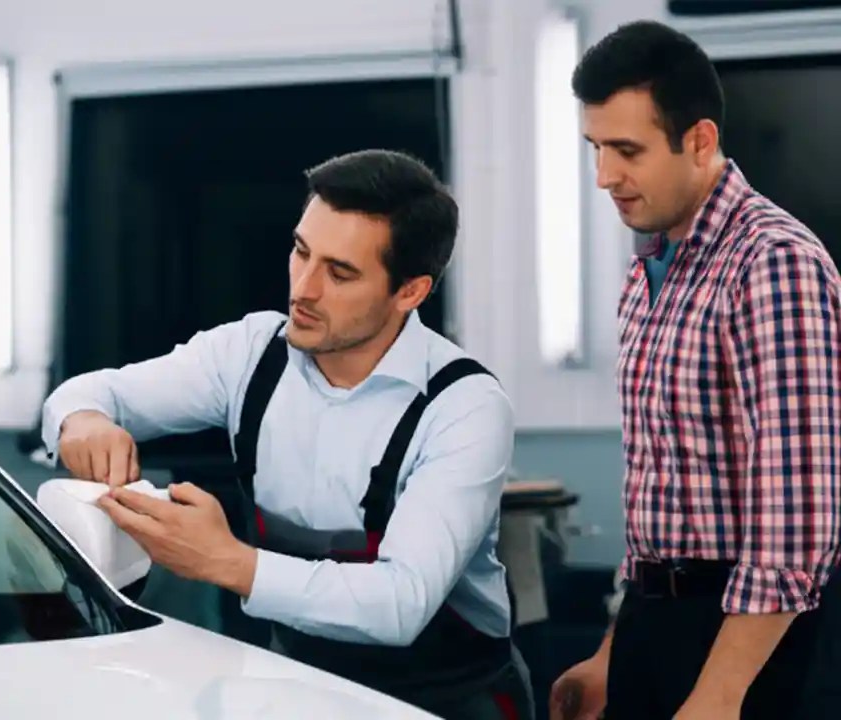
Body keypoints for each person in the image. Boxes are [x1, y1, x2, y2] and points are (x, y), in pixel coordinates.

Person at [41, 149, 532, 719]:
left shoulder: (464, 406)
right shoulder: (249, 354)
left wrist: (226, 561)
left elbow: (402, 603)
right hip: (299, 684)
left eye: (340, 272)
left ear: (410, 292)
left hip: (449, 698)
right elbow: (87, 395)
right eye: (301, 252)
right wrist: (84, 422)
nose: (304, 288)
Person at [549, 20, 841, 720]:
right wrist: (615, 657)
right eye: (595, 148)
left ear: (700, 141)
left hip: (746, 644)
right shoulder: (652, 265)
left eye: (626, 150)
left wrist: (720, 693)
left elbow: (798, 520)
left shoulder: (773, 263)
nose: (603, 177)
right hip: (658, 627)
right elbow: (665, 502)